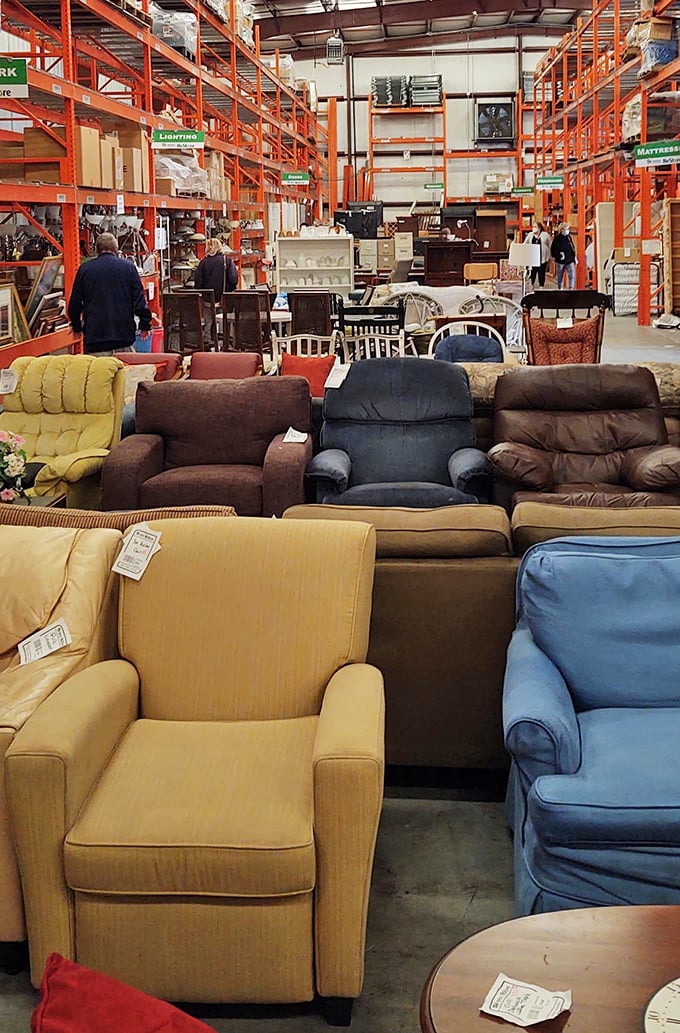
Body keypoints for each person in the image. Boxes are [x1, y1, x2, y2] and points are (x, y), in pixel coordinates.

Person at [67, 233, 152, 355]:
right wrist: (145, 324)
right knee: (124, 372)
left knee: (98, 373)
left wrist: (76, 326)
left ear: (96, 250)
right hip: (123, 337)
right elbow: (139, 300)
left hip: (95, 338)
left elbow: (75, 302)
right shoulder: (128, 268)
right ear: (116, 249)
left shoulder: (85, 269)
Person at [193, 237, 238, 303]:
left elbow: (198, 283)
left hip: (207, 300)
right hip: (225, 298)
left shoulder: (203, 263)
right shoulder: (227, 261)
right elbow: (233, 279)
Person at [524, 221, 551, 287]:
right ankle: (531, 285)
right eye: (533, 227)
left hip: (542, 258)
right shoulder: (530, 235)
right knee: (532, 273)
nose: (534, 228)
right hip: (532, 258)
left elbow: (550, 245)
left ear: (539, 228)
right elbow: (525, 243)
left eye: (535, 227)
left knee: (541, 273)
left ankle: (541, 286)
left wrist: (549, 255)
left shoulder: (545, 235)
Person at [551, 222, 576, 290]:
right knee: (560, 276)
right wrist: (558, 255)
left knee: (572, 275)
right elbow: (553, 250)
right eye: (565, 229)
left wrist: (574, 258)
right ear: (561, 229)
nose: (566, 230)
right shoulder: (557, 239)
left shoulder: (569, 238)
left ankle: (571, 288)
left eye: (567, 229)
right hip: (560, 261)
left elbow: (572, 248)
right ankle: (560, 288)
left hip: (569, 260)